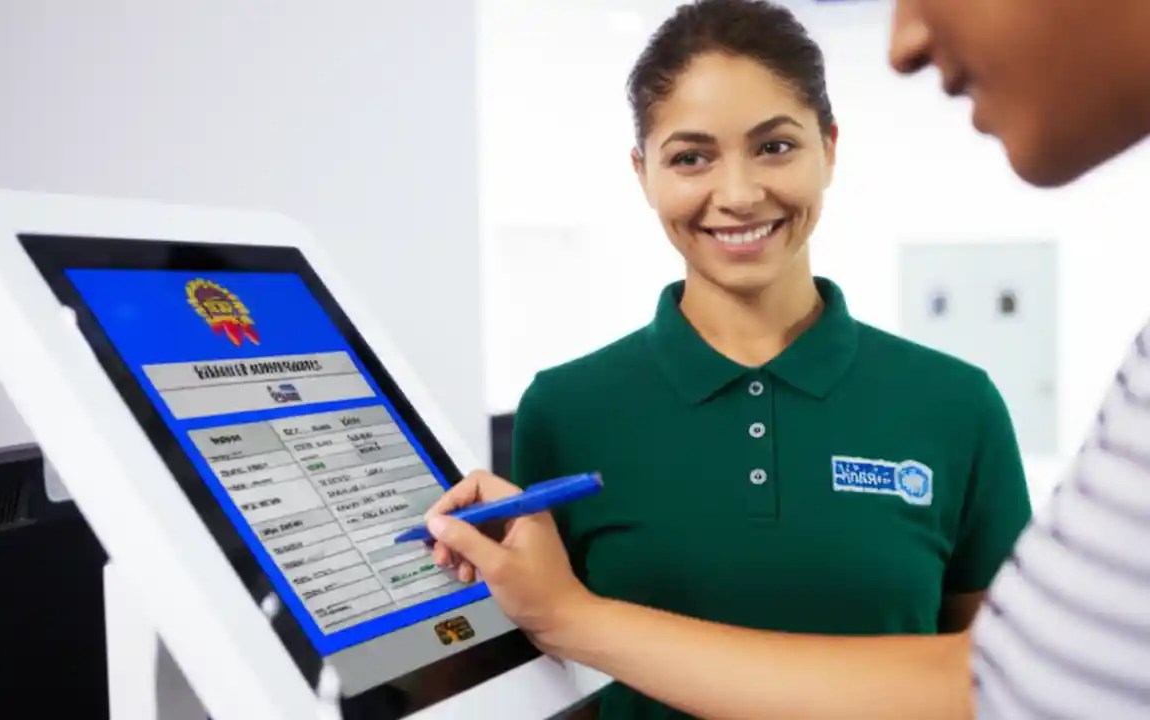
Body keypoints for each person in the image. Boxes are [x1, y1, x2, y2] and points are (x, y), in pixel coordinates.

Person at [426, 0, 1150, 718]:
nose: (738, 195)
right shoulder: (563, 409)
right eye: (690, 157)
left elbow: (997, 685)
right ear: (642, 173)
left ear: (830, 148)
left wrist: (571, 618)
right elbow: (553, 686)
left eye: (774, 146)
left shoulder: (956, 404)